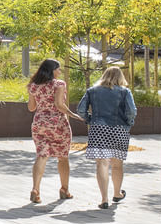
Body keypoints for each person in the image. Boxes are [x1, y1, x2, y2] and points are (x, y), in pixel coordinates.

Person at [77, 66, 137, 209]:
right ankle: (117, 193)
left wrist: (90, 120)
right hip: (119, 129)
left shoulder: (92, 91)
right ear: (120, 77)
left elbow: (80, 110)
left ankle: (104, 199)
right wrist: (128, 124)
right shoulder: (125, 92)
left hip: (99, 129)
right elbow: (131, 111)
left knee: (102, 164)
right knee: (117, 164)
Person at [27, 58, 82, 204]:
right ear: (52, 70)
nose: (60, 71)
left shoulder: (33, 86)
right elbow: (59, 105)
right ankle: (64, 190)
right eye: (58, 69)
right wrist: (72, 114)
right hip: (57, 124)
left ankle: (35, 190)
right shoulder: (59, 84)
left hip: (39, 123)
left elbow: (31, 108)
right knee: (63, 157)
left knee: (42, 155)